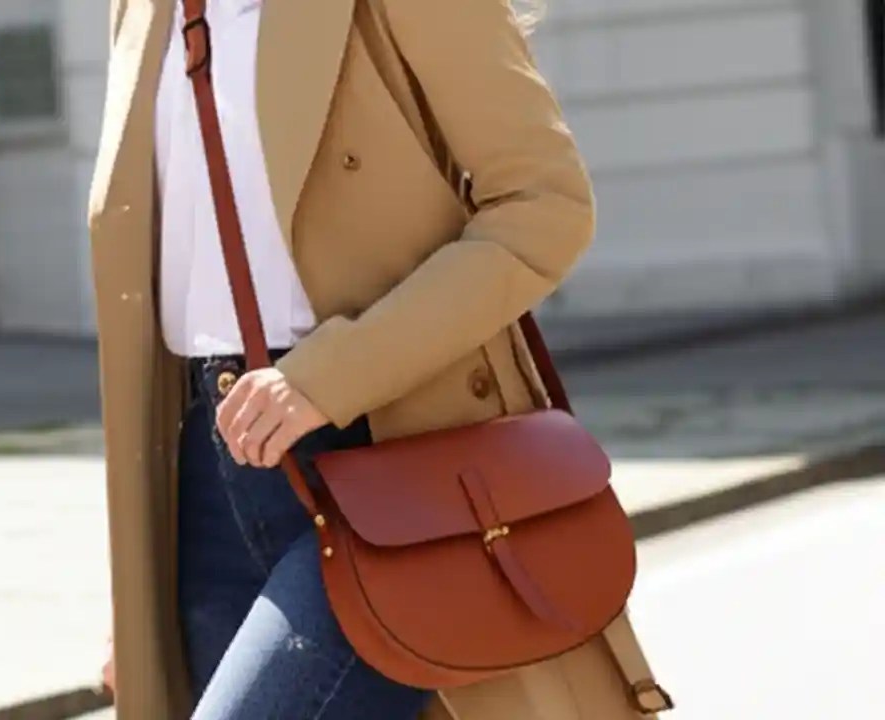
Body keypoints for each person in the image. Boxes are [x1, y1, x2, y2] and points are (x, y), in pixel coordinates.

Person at [88, 1, 669, 718]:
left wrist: (331, 375)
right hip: (209, 475)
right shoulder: (140, 11)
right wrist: (136, 593)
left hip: (391, 453)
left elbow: (543, 206)